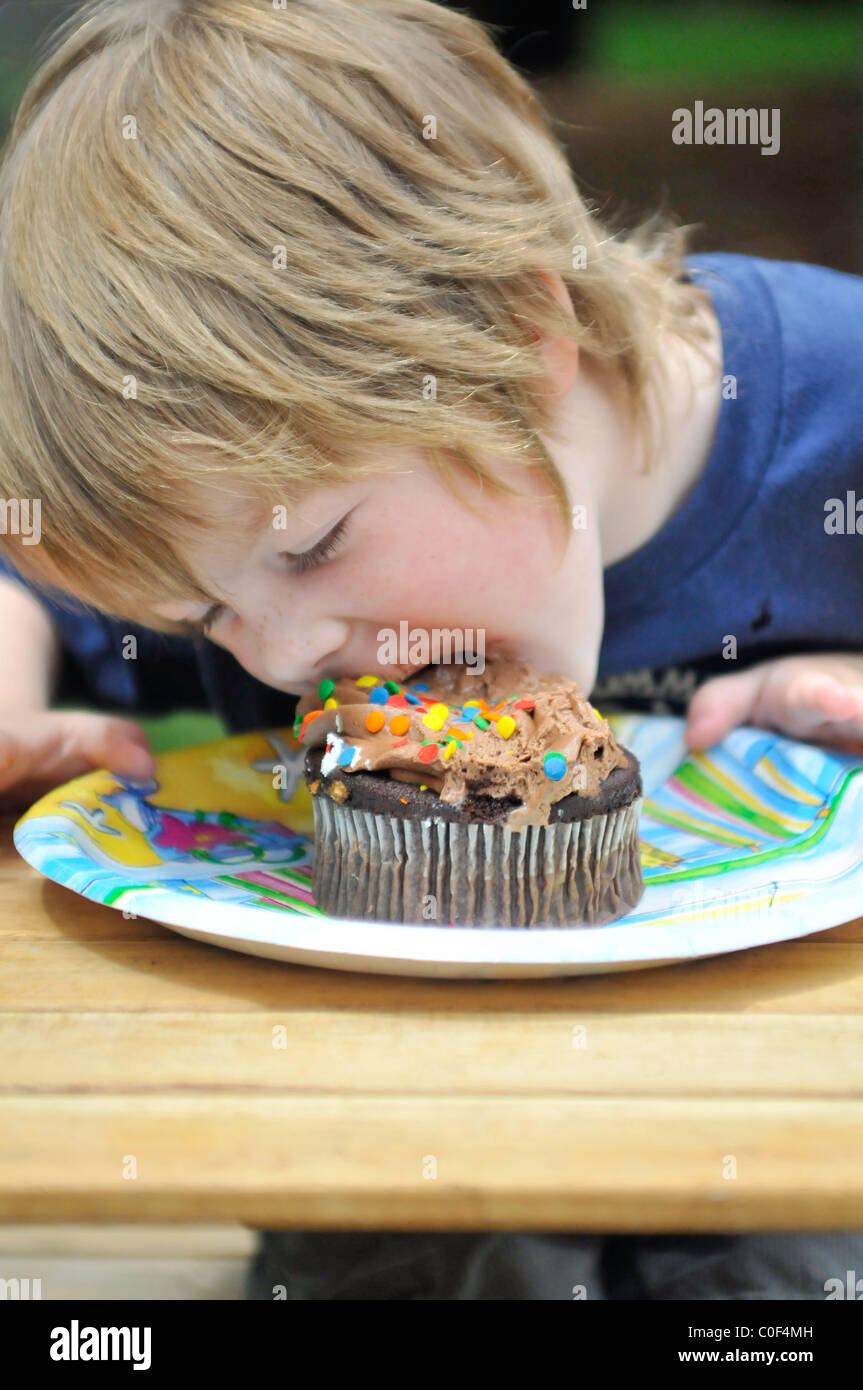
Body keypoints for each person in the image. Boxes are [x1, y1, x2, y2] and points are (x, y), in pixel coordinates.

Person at [1, 0, 862, 1300]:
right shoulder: (218, 544)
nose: (284, 655)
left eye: (314, 545)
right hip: (390, 1152)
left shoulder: (838, 408)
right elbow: (33, 577)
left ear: (527, 336)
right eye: (201, 618)